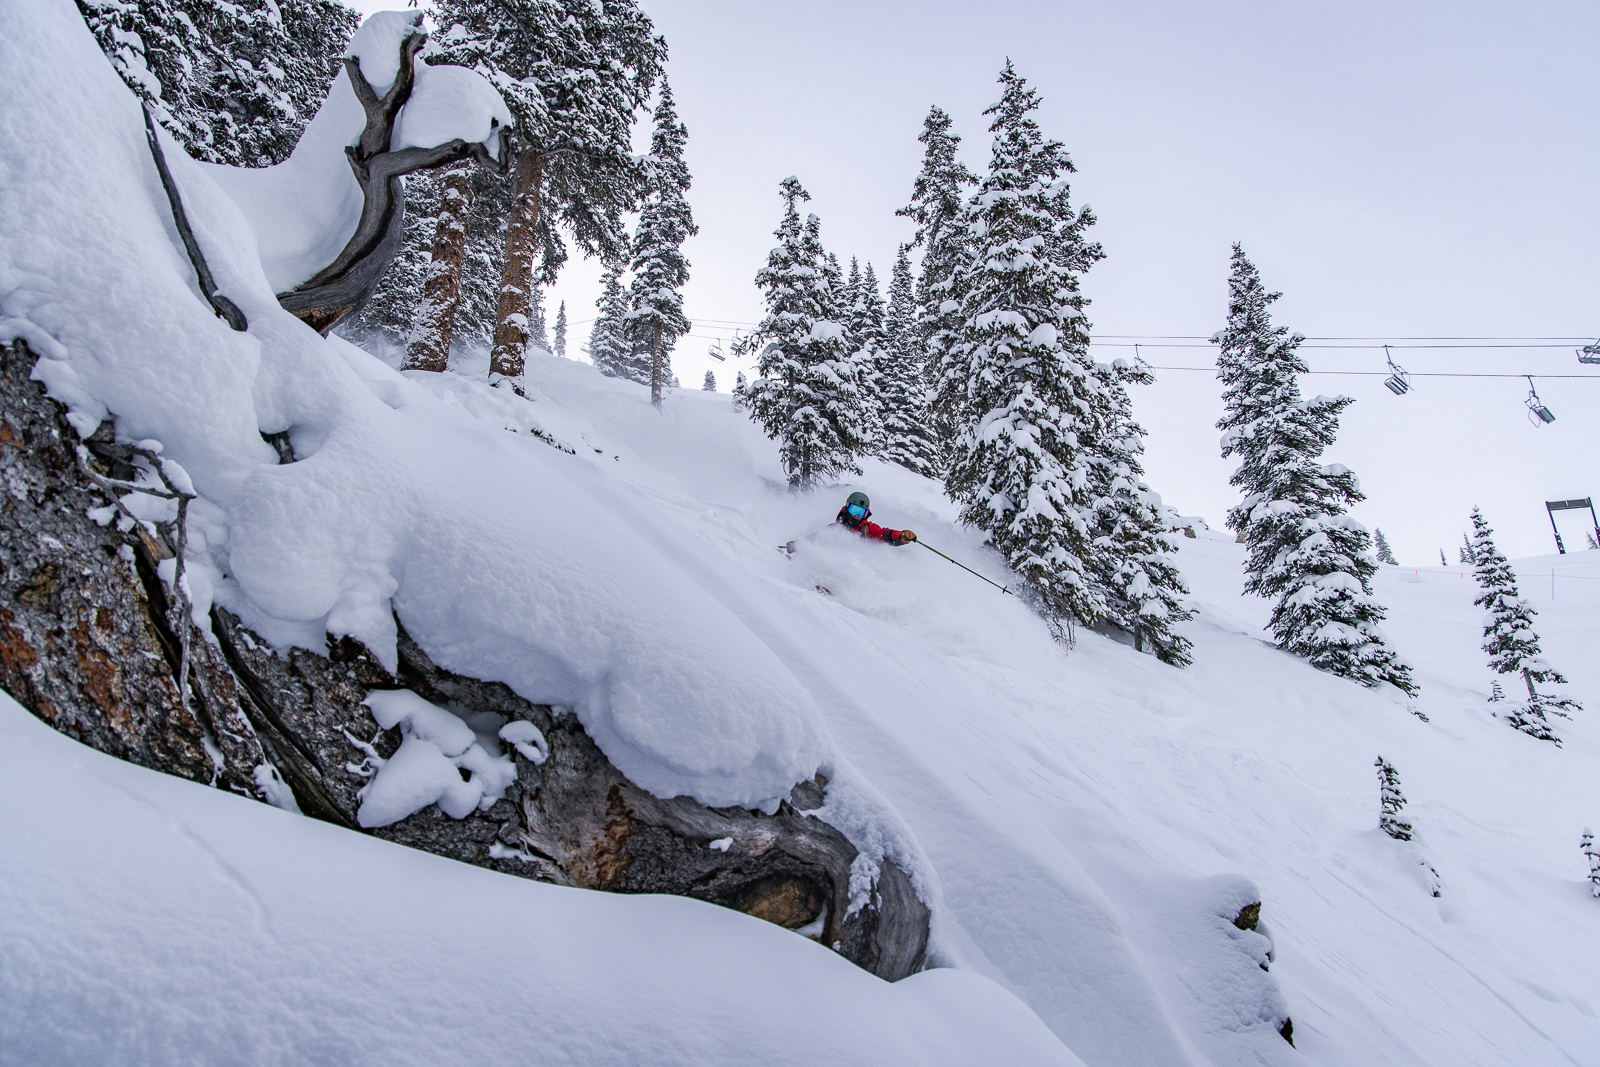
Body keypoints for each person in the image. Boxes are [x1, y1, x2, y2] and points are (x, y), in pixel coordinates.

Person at [836, 491, 916, 546]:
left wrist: (901, 536)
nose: (857, 515)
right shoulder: (833, 530)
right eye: (854, 510)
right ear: (847, 506)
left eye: (861, 513)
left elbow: (883, 534)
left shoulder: (867, 530)